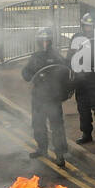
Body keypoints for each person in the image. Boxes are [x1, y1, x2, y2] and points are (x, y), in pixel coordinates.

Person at [22, 28, 69, 167]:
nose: (44, 43)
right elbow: (26, 73)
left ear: (50, 41)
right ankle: (42, 148)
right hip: (38, 97)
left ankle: (60, 154)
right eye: (42, 41)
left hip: (53, 97)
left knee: (56, 126)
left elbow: (66, 74)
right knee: (38, 124)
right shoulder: (35, 57)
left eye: (46, 40)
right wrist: (30, 74)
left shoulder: (57, 57)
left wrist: (62, 91)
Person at [70, 12, 95, 148]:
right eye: (86, 26)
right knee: (83, 108)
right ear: (82, 26)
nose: (88, 29)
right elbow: (70, 57)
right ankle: (86, 134)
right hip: (80, 79)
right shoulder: (76, 38)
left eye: (91, 26)